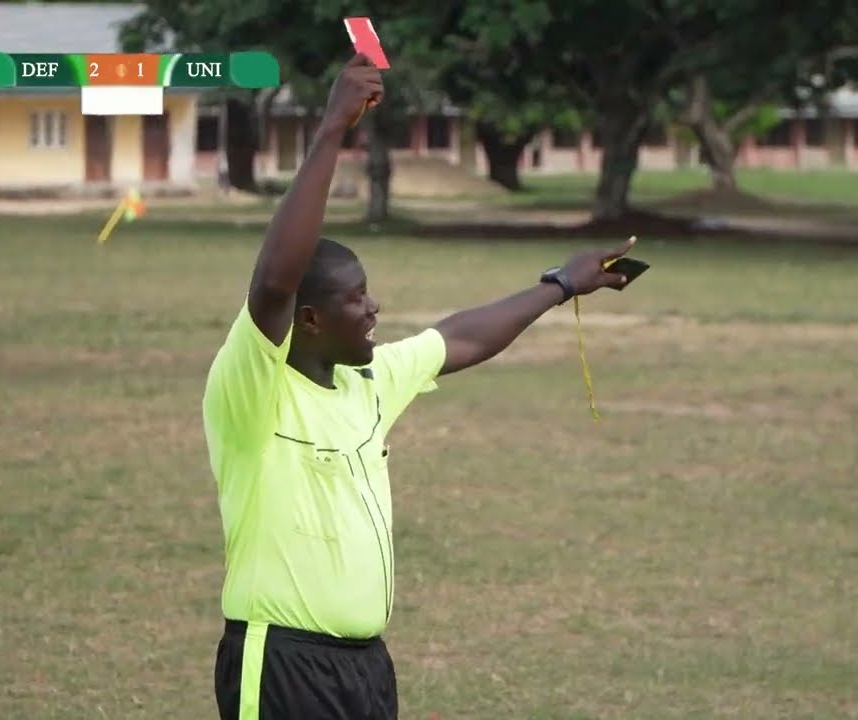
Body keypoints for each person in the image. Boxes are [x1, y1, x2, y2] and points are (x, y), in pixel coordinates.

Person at [204, 53, 637, 720]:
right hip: (284, 665)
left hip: (366, 670)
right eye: (356, 300)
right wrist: (331, 129)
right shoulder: (253, 392)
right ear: (310, 320)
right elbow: (272, 284)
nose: (374, 308)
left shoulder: (369, 383)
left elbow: (461, 338)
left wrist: (559, 286)